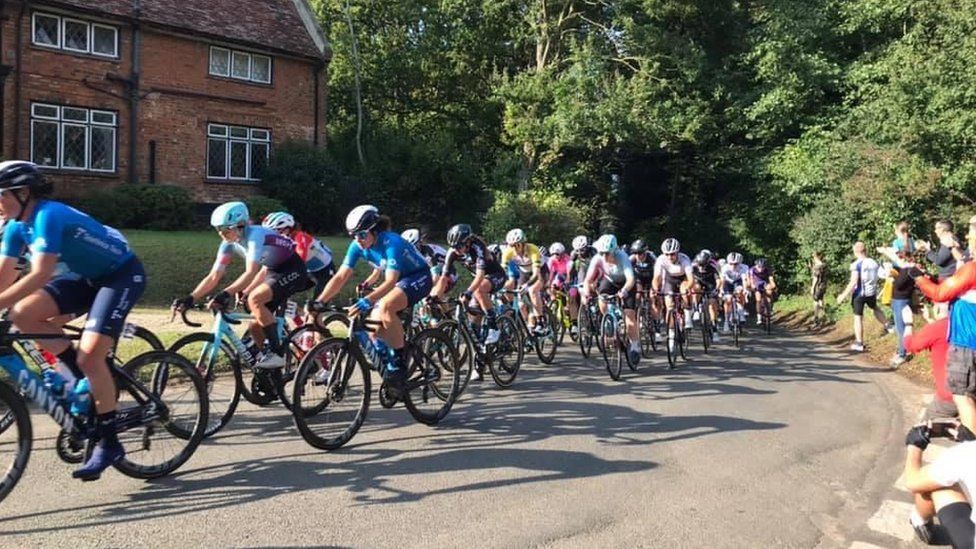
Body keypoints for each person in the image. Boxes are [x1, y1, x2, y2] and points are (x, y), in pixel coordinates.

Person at [0, 160, 146, 480]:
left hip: (120, 275)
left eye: (1, 195)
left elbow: (39, 273)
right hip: (85, 278)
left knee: (91, 353)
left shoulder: (48, 215)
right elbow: (3, 277)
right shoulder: (14, 227)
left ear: (23, 193)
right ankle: (83, 377)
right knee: (22, 314)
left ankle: (109, 442)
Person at [310, 205, 432, 390]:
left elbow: (390, 281)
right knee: (373, 329)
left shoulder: (392, 243)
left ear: (375, 230)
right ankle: (390, 364)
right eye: (353, 235)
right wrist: (320, 301)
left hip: (418, 276)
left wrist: (368, 300)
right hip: (400, 280)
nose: (358, 240)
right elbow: (341, 276)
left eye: (362, 234)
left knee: (385, 307)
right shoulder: (357, 245)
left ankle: (399, 363)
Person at [175, 202, 309, 370]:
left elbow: (251, 272)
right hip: (273, 270)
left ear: (240, 225)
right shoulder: (228, 244)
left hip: (293, 269)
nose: (221, 234)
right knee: (254, 327)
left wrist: (226, 293)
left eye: (225, 229)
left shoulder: (255, 235)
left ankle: (277, 355)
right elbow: (214, 275)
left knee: (255, 299)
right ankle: (267, 370)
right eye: (218, 229)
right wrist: (191, 297)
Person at [912, 257, 976, 432]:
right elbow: (956, 288)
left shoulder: (972, 269)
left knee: (963, 397)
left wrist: (917, 277)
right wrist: (930, 279)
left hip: (967, 343)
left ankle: (971, 449)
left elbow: (940, 294)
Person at [903, 423, 975, 548]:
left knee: (934, 483)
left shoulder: (967, 455)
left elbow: (912, 482)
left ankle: (920, 523)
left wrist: (915, 446)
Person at [581, 234, 640, 364]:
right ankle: (609, 322)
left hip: (626, 283)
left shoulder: (622, 257)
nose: (604, 257)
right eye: (601, 253)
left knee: (629, 314)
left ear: (614, 251)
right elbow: (587, 280)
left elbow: (630, 279)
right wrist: (586, 293)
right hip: (610, 281)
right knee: (602, 299)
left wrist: (624, 291)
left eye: (607, 253)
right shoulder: (598, 258)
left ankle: (635, 346)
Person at [262, 212, 334, 298]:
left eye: (277, 231)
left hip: (324, 271)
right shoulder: (284, 240)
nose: (275, 235)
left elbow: (300, 258)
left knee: (316, 304)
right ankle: (295, 310)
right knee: (281, 291)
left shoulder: (300, 237)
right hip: (308, 271)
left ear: (287, 229)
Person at [836, 242, 890, 352]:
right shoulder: (873, 262)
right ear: (865, 250)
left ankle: (859, 342)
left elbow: (853, 281)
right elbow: (883, 274)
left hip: (859, 294)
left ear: (855, 251)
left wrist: (843, 295)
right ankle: (889, 326)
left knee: (858, 317)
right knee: (875, 307)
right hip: (871, 293)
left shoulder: (856, 264)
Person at [501, 228, 546, 333]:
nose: (516, 248)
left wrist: (527, 285)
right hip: (524, 273)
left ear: (524, 243)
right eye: (513, 245)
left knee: (533, 291)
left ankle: (541, 322)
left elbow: (536, 274)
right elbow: (502, 271)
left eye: (519, 245)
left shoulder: (533, 249)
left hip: (539, 271)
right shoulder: (508, 252)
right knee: (521, 305)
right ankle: (528, 325)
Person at [547, 242, 576, 332]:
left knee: (571, 296)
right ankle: (554, 303)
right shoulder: (552, 259)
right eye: (553, 254)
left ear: (563, 253)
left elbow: (568, 274)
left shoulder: (568, 260)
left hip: (570, 276)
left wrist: (567, 282)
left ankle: (574, 323)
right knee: (552, 286)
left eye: (558, 254)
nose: (556, 256)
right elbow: (550, 274)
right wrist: (549, 284)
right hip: (559, 276)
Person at [692, 249, 721, 341]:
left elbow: (718, 280)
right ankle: (696, 308)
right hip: (698, 283)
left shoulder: (712, 267)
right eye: (699, 265)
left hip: (710, 284)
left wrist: (717, 289)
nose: (701, 267)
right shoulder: (693, 267)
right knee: (696, 288)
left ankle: (714, 328)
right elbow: (689, 278)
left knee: (712, 304)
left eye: (703, 265)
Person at [720, 252, 751, 333]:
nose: (733, 266)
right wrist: (721, 290)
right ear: (728, 262)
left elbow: (745, 280)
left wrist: (745, 289)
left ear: (740, 263)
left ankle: (741, 311)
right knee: (728, 300)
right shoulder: (725, 267)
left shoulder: (744, 267)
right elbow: (722, 280)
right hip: (727, 283)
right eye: (731, 264)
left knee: (740, 291)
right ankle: (726, 321)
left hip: (738, 281)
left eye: (736, 264)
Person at [749, 258, 777, 324]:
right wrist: (752, 285)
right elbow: (751, 279)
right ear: (756, 266)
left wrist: (773, 285)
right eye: (759, 267)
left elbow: (771, 279)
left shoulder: (768, 270)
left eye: (763, 267)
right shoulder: (752, 269)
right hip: (756, 282)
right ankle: (759, 317)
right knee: (758, 299)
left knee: (769, 292)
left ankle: (770, 308)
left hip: (765, 282)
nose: (761, 269)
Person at [811, 251, 827, 326]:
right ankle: (822, 317)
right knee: (821, 300)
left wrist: (812, 287)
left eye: (813, 257)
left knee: (815, 302)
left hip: (818, 286)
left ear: (816, 257)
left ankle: (816, 319)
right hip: (823, 285)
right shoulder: (824, 265)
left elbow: (816, 278)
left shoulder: (817, 266)